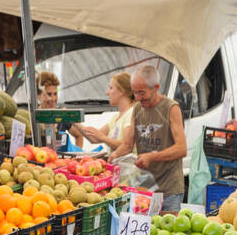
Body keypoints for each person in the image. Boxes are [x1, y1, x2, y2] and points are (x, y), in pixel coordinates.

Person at [116, 64, 187, 214]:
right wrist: (113, 156)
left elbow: (181, 148)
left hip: (169, 189)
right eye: (135, 93)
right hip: (145, 188)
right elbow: (128, 145)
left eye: (141, 93)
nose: (138, 98)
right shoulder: (137, 109)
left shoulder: (171, 108)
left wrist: (152, 156)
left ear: (155, 87)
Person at [68, 71, 135, 158]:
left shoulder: (131, 114)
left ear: (121, 91)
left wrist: (104, 138)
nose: (107, 93)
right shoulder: (115, 118)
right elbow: (94, 138)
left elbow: (127, 146)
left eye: (111, 88)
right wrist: (73, 119)